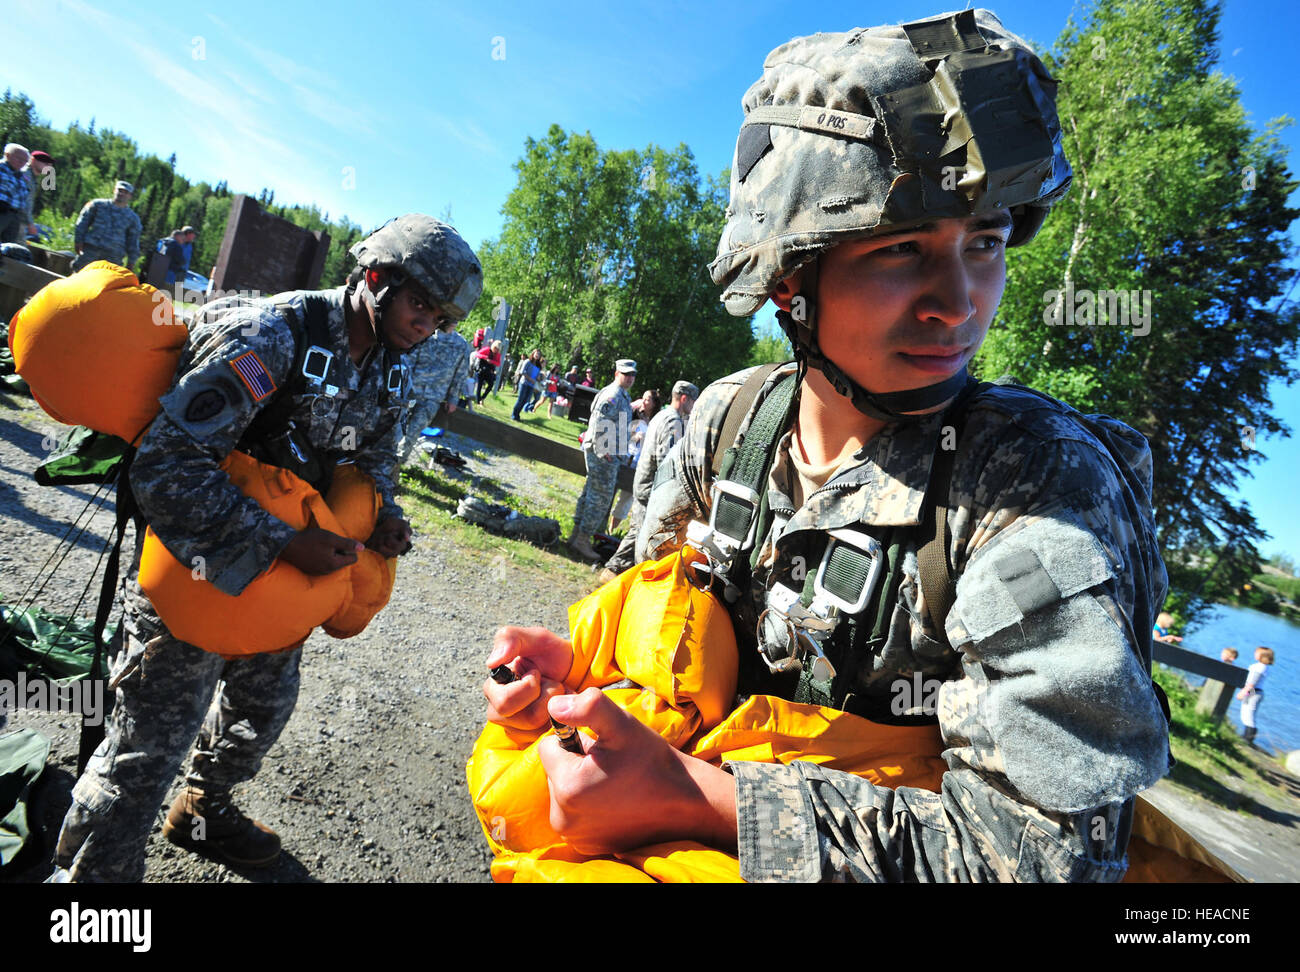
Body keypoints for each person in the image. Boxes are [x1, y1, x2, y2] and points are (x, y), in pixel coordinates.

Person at [484, 9, 1171, 882]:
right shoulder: (730, 421)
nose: (959, 303)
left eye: (986, 244)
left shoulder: (1032, 482)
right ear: (789, 278)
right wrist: (574, 677)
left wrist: (698, 800)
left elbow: (1044, 860)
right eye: (900, 250)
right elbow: (657, 636)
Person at [51, 214, 482, 881]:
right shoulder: (271, 336)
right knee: (145, 753)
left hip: (282, 575)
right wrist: (282, 542)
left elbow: (369, 462)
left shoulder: (391, 367)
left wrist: (383, 516)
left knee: (259, 713)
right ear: (375, 279)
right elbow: (165, 464)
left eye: (443, 316)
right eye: (421, 303)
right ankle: (87, 888)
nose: (429, 324)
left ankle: (201, 810)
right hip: (200, 566)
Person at [601, 380, 697, 580]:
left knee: (638, 528)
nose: (694, 406)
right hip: (651, 485)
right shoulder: (673, 421)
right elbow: (667, 460)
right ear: (685, 398)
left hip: (643, 480)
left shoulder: (661, 415)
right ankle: (614, 570)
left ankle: (618, 571)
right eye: (693, 401)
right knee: (641, 532)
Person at [567, 359, 636, 562]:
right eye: (626, 374)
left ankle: (576, 536)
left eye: (632, 374)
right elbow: (598, 422)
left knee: (591, 494)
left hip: (610, 455)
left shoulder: (622, 395)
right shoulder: (613, 395)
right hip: (603, 455)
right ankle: (582, 539)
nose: (630, 378)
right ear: (617, 374)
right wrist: (603, 449)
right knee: (599, 498)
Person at [400, 318, 472, 460]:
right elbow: (408, 361)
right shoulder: (426, 335)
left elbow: (460, 375)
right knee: (394, 430)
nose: (453, 322)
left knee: (411, 434)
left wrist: (453, 399)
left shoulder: (461, 345)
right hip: (409, 392)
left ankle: (395, 465)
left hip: (433, 398)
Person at [609, 388, 660, 530]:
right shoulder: (633, 413)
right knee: (611, 490)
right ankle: (600, 525)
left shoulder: (657, 421)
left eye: (648, 399)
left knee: (626, 498)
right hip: (625, 456)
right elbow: (619, 432)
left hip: (641, 463)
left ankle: (611, 530)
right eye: (643, 398)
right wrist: (633, 437)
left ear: (654, 403)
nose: (644, 401)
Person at [72, 180, 142, 271]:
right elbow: (82, 223)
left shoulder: (133, 218)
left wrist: (131, 262)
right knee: (79, 276)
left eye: (126, 192)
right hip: (91, 250)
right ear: (114, 190)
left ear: (130, 196)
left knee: (106, 282)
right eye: (120, 190)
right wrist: (78, 241)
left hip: (113, 257)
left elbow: (133, 241)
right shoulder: (97, 205)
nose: (121, 194)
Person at [1236, 646, 1275, 745]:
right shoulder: (1261, 666)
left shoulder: (1260, 667)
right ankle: (1246, 735)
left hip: (1254, 691)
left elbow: (1252, 683)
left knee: (1248, 714)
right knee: (1245, 713)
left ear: (1263, 656)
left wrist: (1244, 692)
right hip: (1254, 691)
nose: (1254, 654)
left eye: (1257, 653)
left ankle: (1248, 738)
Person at [0, 144, 31, 245]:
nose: (22, 163)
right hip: (2, 211)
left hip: (14, 215)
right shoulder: (1, 168)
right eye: (19, 159)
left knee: (7, 247)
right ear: (7, 155)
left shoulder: (21, 176)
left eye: (25, 161)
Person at [21, 149, 55, 240]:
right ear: (33, 160)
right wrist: (30, 223)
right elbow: (24, 201)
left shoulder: (32, 178)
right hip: (15, 218)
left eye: (50, 165)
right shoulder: (25, 174)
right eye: (46, 163)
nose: (49, 166)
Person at [512, 349, 543, 421]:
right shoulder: (528, 361)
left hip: (531, 385)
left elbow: (537, 376)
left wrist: (540, 378)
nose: (537, 355)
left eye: (539, 354)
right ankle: (514, 415)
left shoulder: (538, 365)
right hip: (524, 383)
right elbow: (522, 371)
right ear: (533, 353)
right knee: (520, 399)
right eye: (536, 353)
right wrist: (530, 379)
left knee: (525, 400)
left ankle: (517, 415)